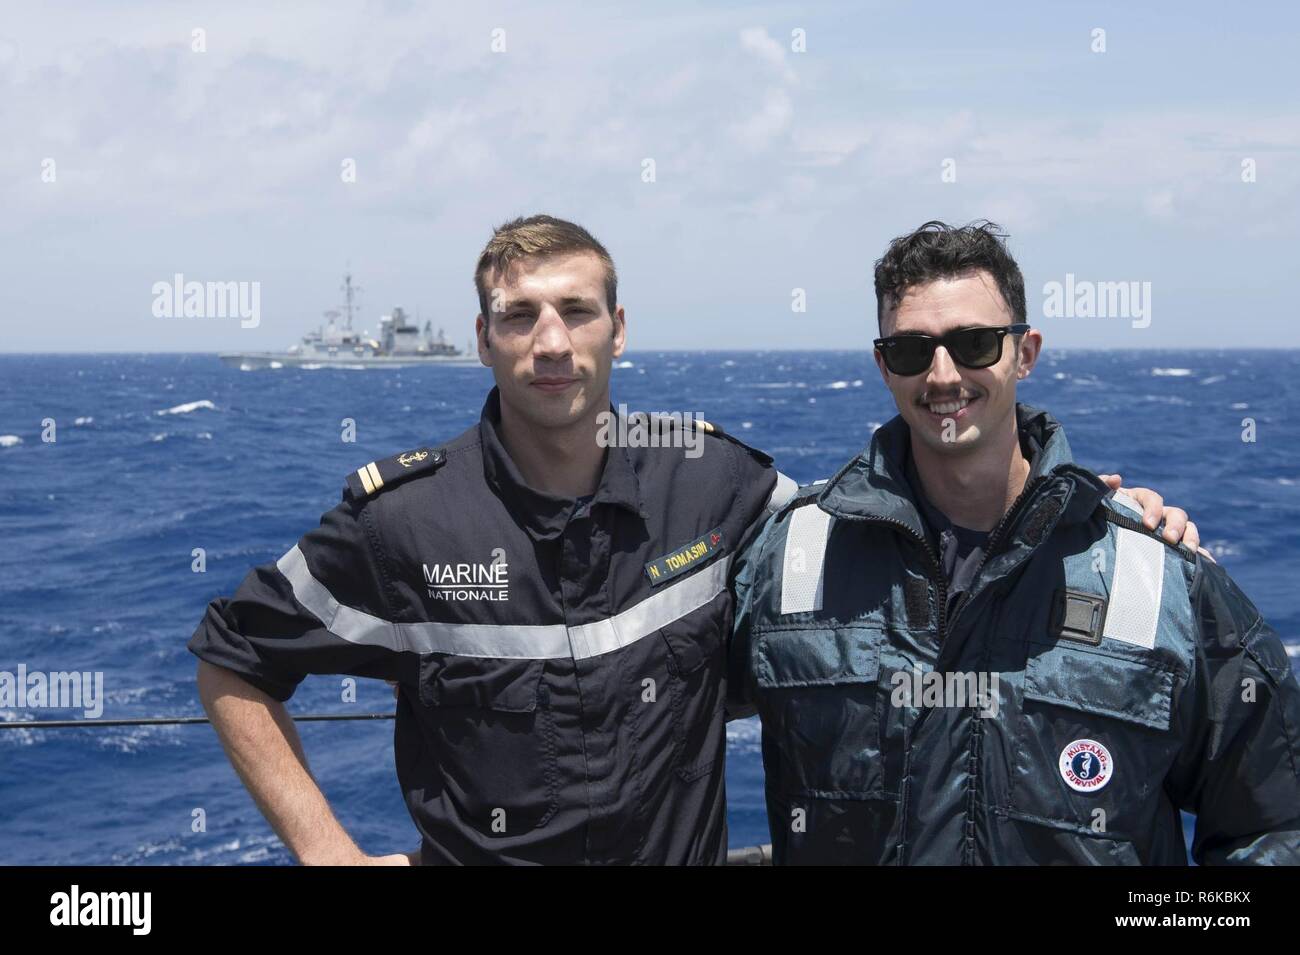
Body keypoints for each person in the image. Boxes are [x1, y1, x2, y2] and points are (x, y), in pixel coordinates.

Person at [190, 214, 1192, 865]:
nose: (550, 341)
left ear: (616, 330)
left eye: (575, 311)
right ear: (482, 335)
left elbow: (889, 527)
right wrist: (324, 850)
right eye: (519, 315)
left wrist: (1088, 518)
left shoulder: (710, 482)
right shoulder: (404, 519)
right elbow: (234, 657)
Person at [731, 220, 1300, 865]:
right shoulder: (792, 560)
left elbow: (1276, 825)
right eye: (913, 350)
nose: (943, 376)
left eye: (973, 344)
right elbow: (643, 710)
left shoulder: (1155, 574)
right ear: (884, 365)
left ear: (1025, 353)